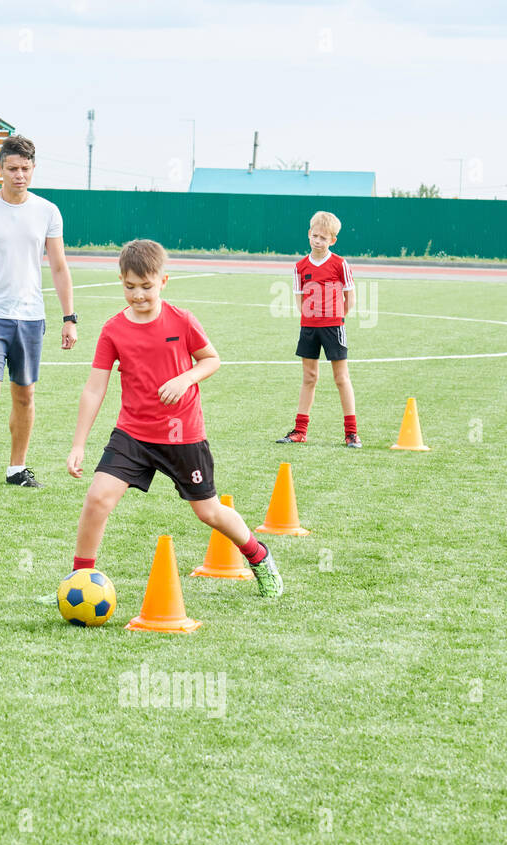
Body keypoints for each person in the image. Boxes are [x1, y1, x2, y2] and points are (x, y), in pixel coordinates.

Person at [67, 239, 283, 597]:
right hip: (133, 433)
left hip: (182, 435)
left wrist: (185, 379)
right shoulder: (112, 330)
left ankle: (260, 557)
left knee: (209, 512)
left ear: (163, 281)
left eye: (147, 287)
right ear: (121, 280)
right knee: (97, 498)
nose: (138, 295)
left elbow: (211, 359)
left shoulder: (182, 321)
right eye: (130, 287)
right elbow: (94, 388)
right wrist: (78, 444)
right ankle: (77, 582)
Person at [0, 134, 76, 497]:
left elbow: (59, 267)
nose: (18, 175)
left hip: (30, 318)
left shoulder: (48, 212)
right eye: (11, 169)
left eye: (24, 169)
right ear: (0, 168)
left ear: (33, 169)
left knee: (25, 396)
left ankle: (16, 468)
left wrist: (70, 317)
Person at [276, 210, 359, 447]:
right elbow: (300, 299)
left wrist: (335, 319)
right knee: (309, 377)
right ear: (309, 234)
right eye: (315, 236)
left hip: (333, 328)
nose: (318, 241)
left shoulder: (340, 264)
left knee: (341, 378)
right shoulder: (300, 267)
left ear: (332, 240)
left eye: (324, 238)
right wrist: (310, 319)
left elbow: (349, 298)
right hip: (309, 328)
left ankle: (351, 432)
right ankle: (300, 431)